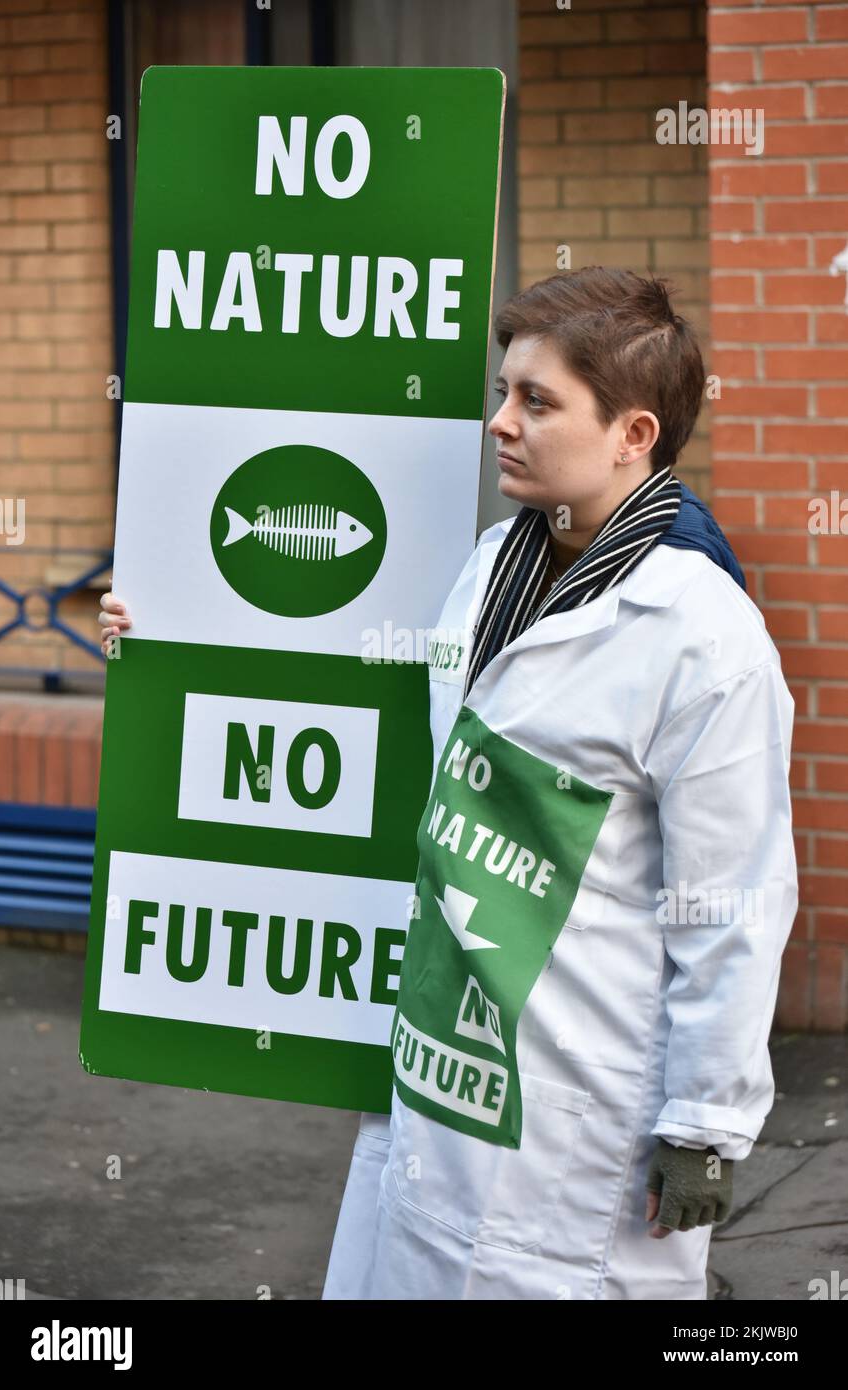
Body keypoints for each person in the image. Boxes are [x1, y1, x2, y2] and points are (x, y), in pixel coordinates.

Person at [318, 266, 798, 1301]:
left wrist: (706, 1122)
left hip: (586, 1114)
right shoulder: (495, 558)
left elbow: (736, 899)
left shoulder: (703, 638)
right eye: (506, 391)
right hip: (447, 1050)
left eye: (537, 402)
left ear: (633, 434)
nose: (501, 422)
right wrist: (164, 627)